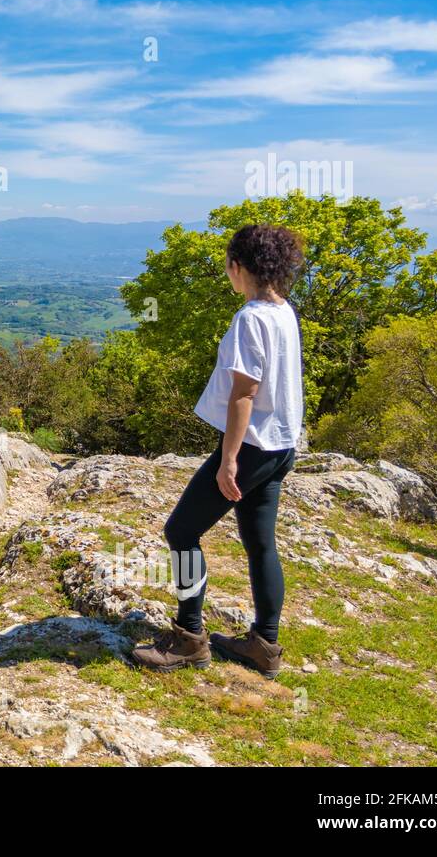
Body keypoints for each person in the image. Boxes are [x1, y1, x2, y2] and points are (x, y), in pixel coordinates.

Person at [132, 224, 305, 679]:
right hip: (281, 445)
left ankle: (189, 639)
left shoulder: (250, 317)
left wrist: (228, 459)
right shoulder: (284, 311)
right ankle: (264, 645)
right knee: (260, 543)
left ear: (238, 266)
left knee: (181, 532)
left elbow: (244, 392)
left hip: (251, 447)